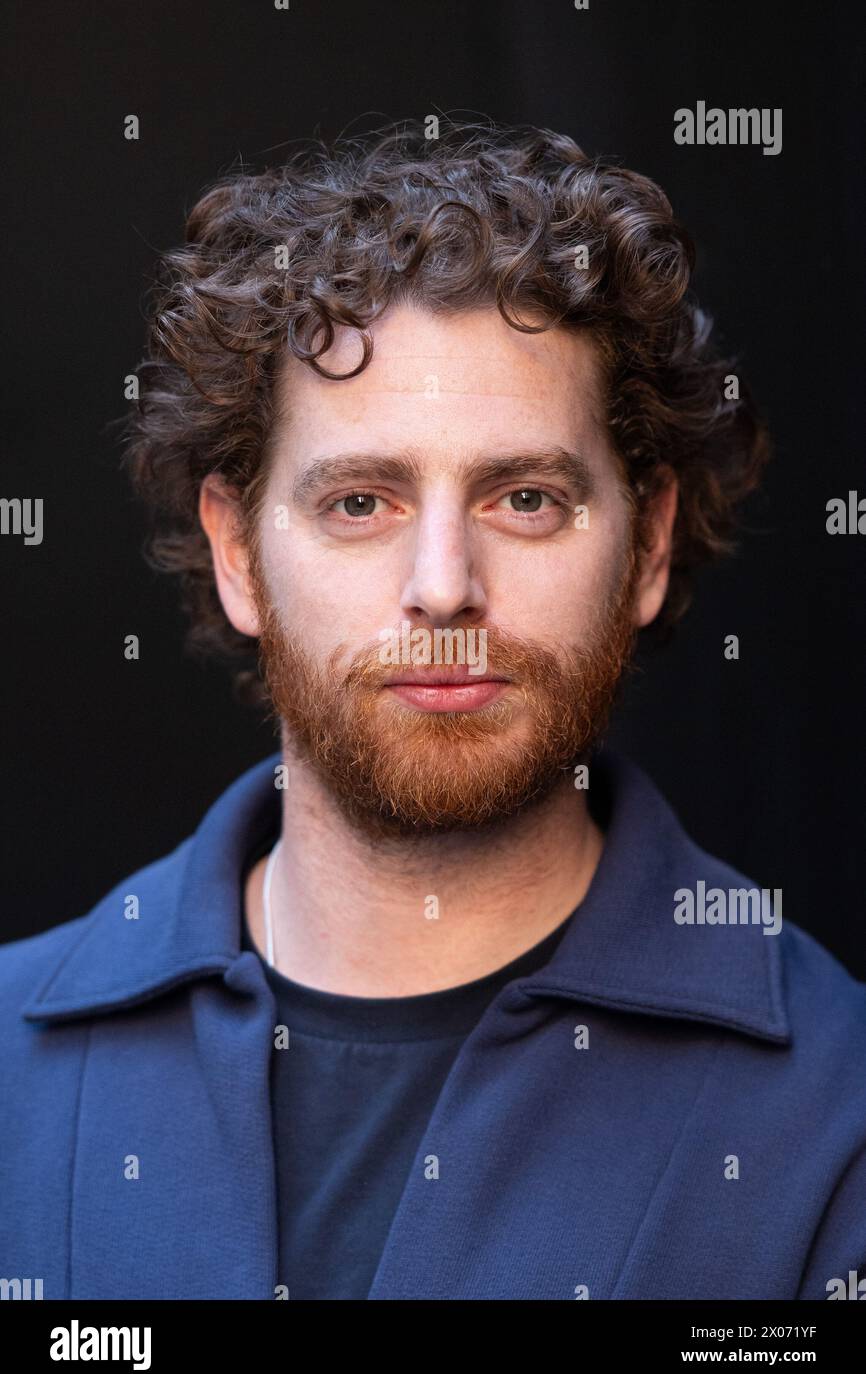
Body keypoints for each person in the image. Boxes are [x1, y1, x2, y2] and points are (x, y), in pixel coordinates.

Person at [2, 121, 864, 1301]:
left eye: (523, 496)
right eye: (361, 500)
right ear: (236, 553)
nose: (443, 583)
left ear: (648, 544)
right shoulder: (10, 1060)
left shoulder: (839, 1106)